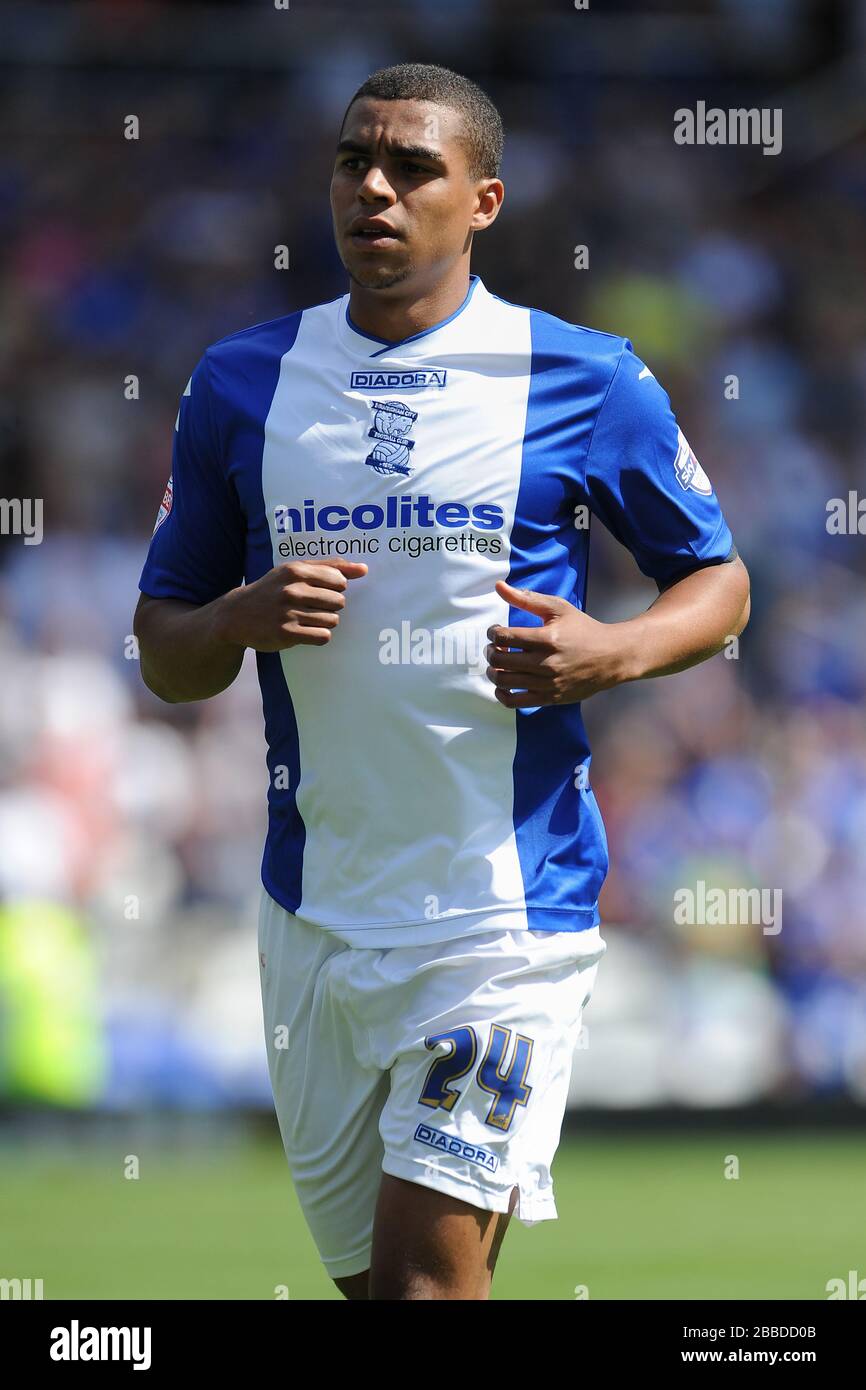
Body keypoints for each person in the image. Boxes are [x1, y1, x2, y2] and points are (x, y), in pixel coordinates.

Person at [133, 61, 750, 1301]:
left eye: (412, 166)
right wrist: (241, 617)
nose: (373, 186)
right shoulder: (239, 384)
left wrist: (611, 650)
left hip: (499, 915)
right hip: (311, 911)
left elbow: (719, 582)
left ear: (482, 200)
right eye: (354, 160)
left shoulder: (583, 376)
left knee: (427, 1286)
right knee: (378, 1294)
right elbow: (163, 651)